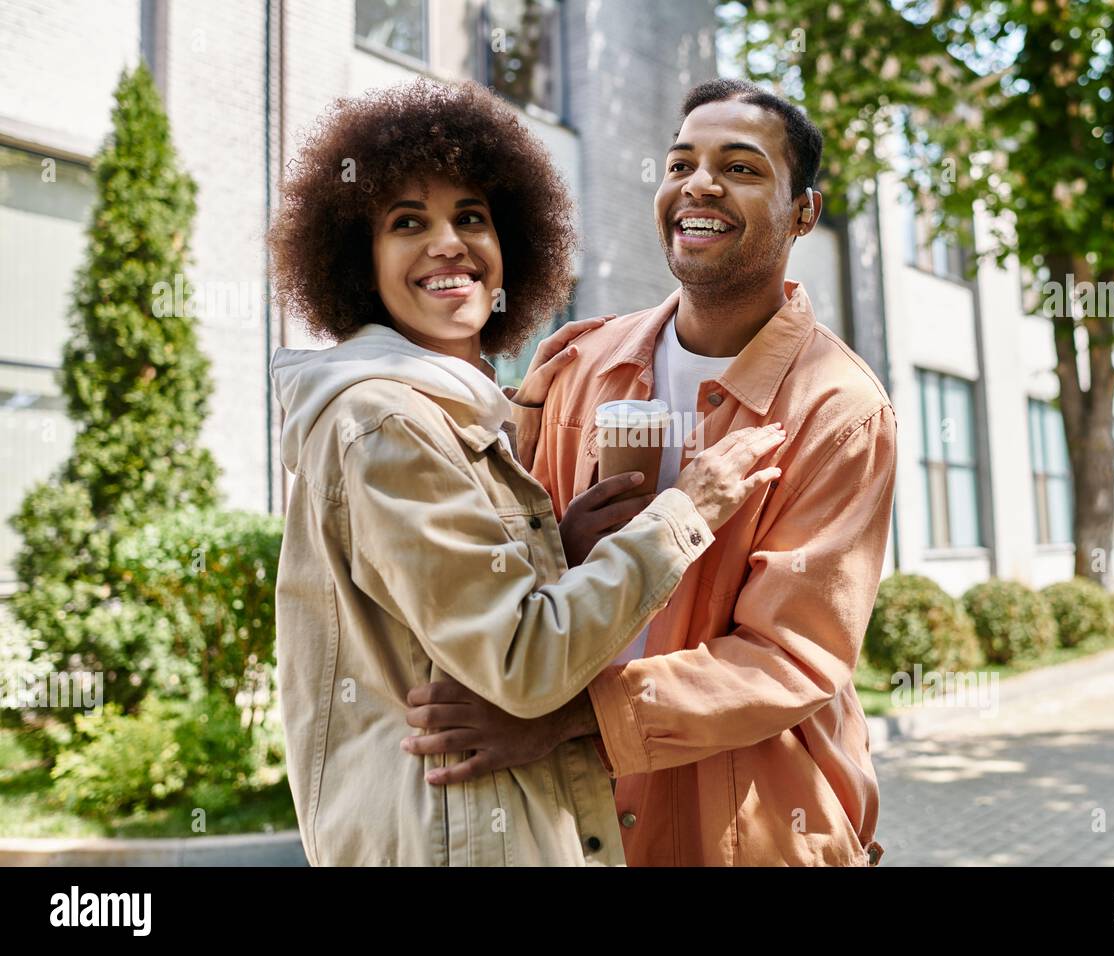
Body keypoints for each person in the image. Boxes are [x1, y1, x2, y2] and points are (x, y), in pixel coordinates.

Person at [266, 78, 784, 866]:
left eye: (470, 217)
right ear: (357, 263)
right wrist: (686, 512)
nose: (448, 243)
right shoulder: (389, 421)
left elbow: (457, 611)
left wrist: (562, 552)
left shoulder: (448, 409)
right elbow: (522, 662)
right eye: (408, 223)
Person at [404, 78, 898, 867]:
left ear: (803, 212)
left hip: (748, 829)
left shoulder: (836, 409)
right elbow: (501, 562)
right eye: (681, 164)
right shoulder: (573, 363)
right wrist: (557, 544)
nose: (699, 183)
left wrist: (562, 722)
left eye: (741, 168)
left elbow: (792, 656)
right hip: (570, 820)